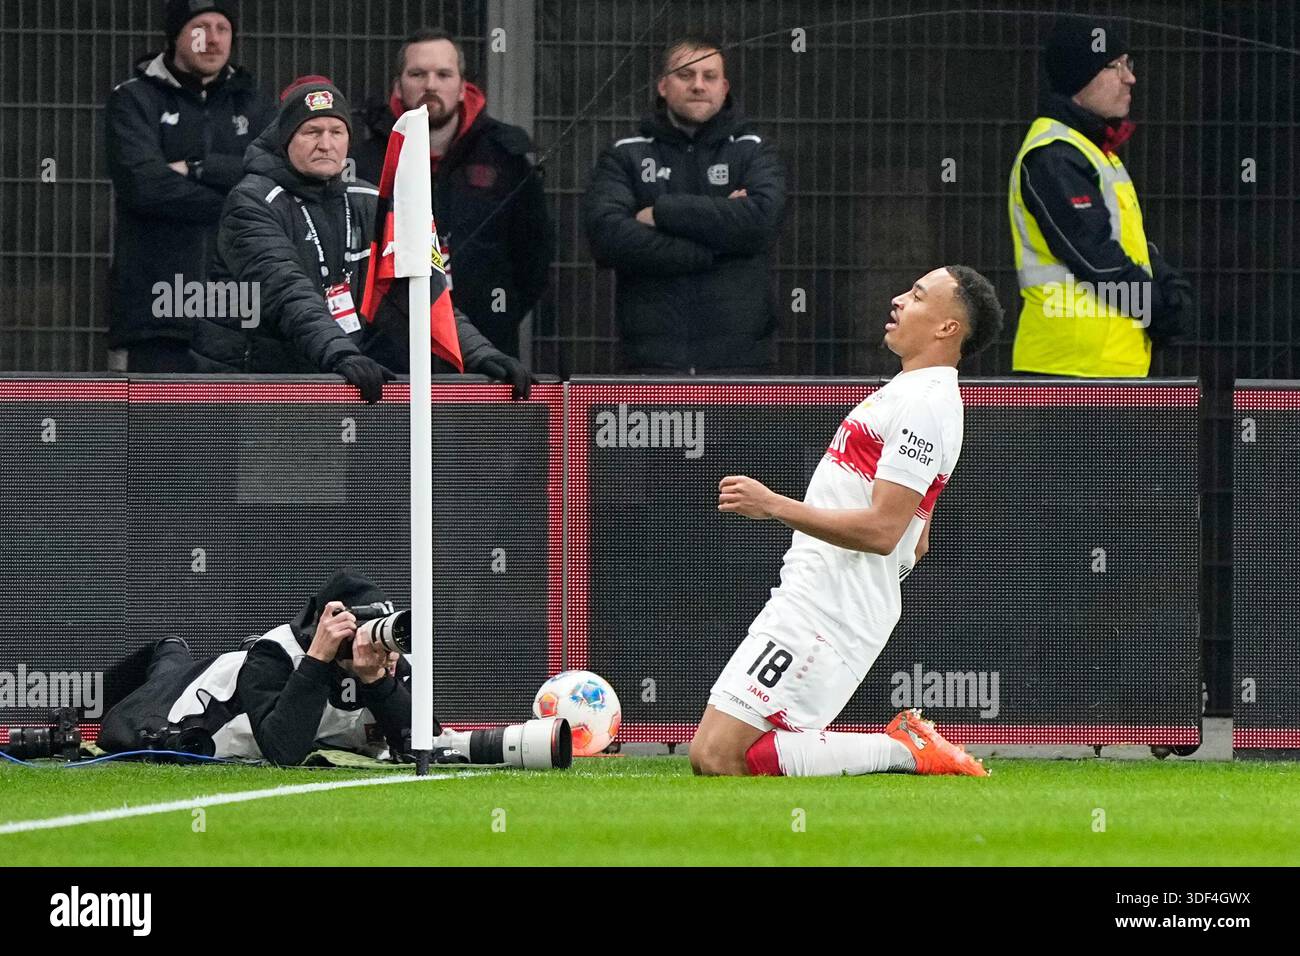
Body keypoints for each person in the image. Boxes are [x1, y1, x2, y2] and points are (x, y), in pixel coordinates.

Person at [689, 266, 1003, 778]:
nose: (899, 299)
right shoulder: (913, 394)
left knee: (717, 756)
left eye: (918, 295)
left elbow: (884, 532)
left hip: (831, 608)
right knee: (719, 755)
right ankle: (903, 749)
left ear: (947, 328)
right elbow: (917, 538)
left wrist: (773, 505)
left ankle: (905, 750)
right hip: (825, 596)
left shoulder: (924, 404)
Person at [189, 77, 534, 400]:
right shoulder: (250, 201)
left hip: (329, 375)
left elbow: (419, 293)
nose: (326, 144)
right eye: (311, 131)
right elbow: (287, 292)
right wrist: (340, 353)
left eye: (336, 131)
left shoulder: (368, 200)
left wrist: (479, 353)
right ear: (285, 139)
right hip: (250, 384)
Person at [98, 570, 569, 768]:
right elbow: (283, 751)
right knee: (141, 703)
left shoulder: (384, 660)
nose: (372, 640)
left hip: (299, 680)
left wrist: (378, 682)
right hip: (204, 693)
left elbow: (421, 743)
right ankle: (169, 644)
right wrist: (319, 661)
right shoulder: (274, 655)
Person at [583, 36, 785, 374]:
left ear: (724, 87)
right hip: (651, 359)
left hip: (742, 361)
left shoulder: (754, 149)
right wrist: (712, 247)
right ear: (663, 85)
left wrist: (660, 212)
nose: (698, 85)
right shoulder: (626, 153)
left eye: (709, 76)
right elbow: (608, 237)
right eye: (685, 75)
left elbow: (760, 221)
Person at [1009, 16, 1193, 377]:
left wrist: (1166, 282)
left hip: (1103, 365)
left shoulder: (1094, 151)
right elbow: (1098, 262)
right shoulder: (1054, 153)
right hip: (1067, 368)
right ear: (1081, 76)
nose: (1130, 78)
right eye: (1116, 66)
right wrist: (1161, 307)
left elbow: (1128, 247)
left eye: (1129, 64)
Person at [352, 28, 553, 359]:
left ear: (462, 87)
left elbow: (535, 254)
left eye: (443, 74)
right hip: (388, 355)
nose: (430, 84)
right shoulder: (365, 162)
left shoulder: (506, 158)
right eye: (417, 73)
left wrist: (497, 316)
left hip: (486, 352)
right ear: (398, 85)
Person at [105, 0, 275, 372]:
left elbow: (272, 179)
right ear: (176, 35)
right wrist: (236, 197)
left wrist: (198, 168)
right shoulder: (133, 98)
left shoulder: (255, 104)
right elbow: (144, 186)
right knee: (149, 429)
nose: (212, 40)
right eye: (201, 28)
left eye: (223, 28)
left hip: (236, 313)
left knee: (237, 430)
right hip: (153, 315)